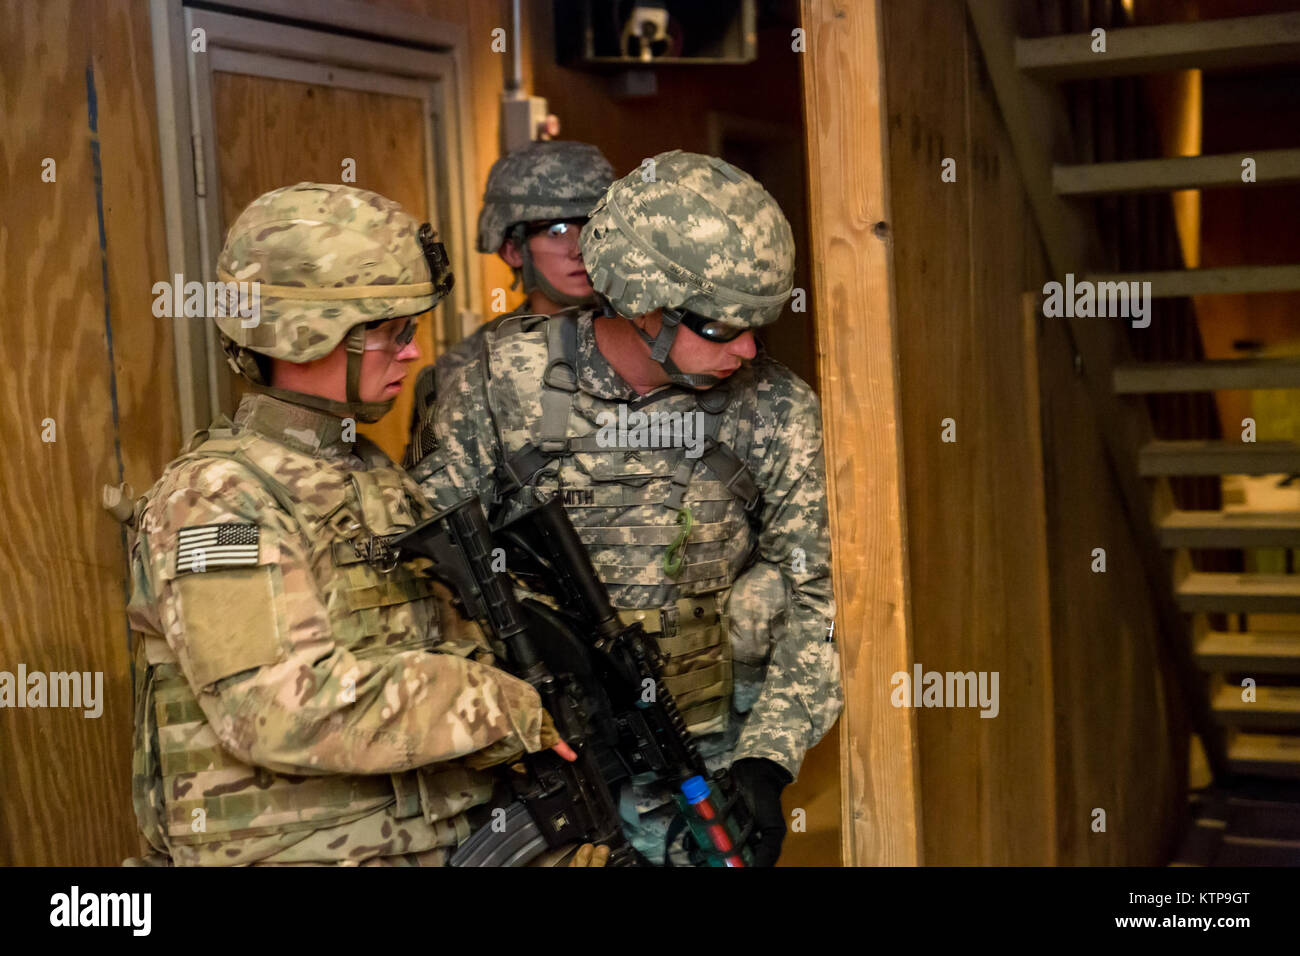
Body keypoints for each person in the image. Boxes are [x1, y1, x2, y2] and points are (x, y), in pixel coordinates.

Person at [409, 150, 843, 866]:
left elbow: (813, 594)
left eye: (756, 325)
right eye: (718, 326)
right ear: (643, 303)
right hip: (531, 765)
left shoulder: (774, 408)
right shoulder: (494, 383)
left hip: (700, 770)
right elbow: (427, 573)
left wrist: (767, 762)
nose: (748, 347)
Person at [122, 182, 569, 866]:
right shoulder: (217, 497)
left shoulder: (364, 470)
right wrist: (500, 706)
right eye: (393, 333)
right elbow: (277, 711)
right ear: (307, 335)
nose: (413, 353)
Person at [405, 140, 613, 469]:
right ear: (512, 250)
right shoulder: (468, 369)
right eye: (557, 230)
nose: (581, 247)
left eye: (592, 225)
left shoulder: (653, 341)